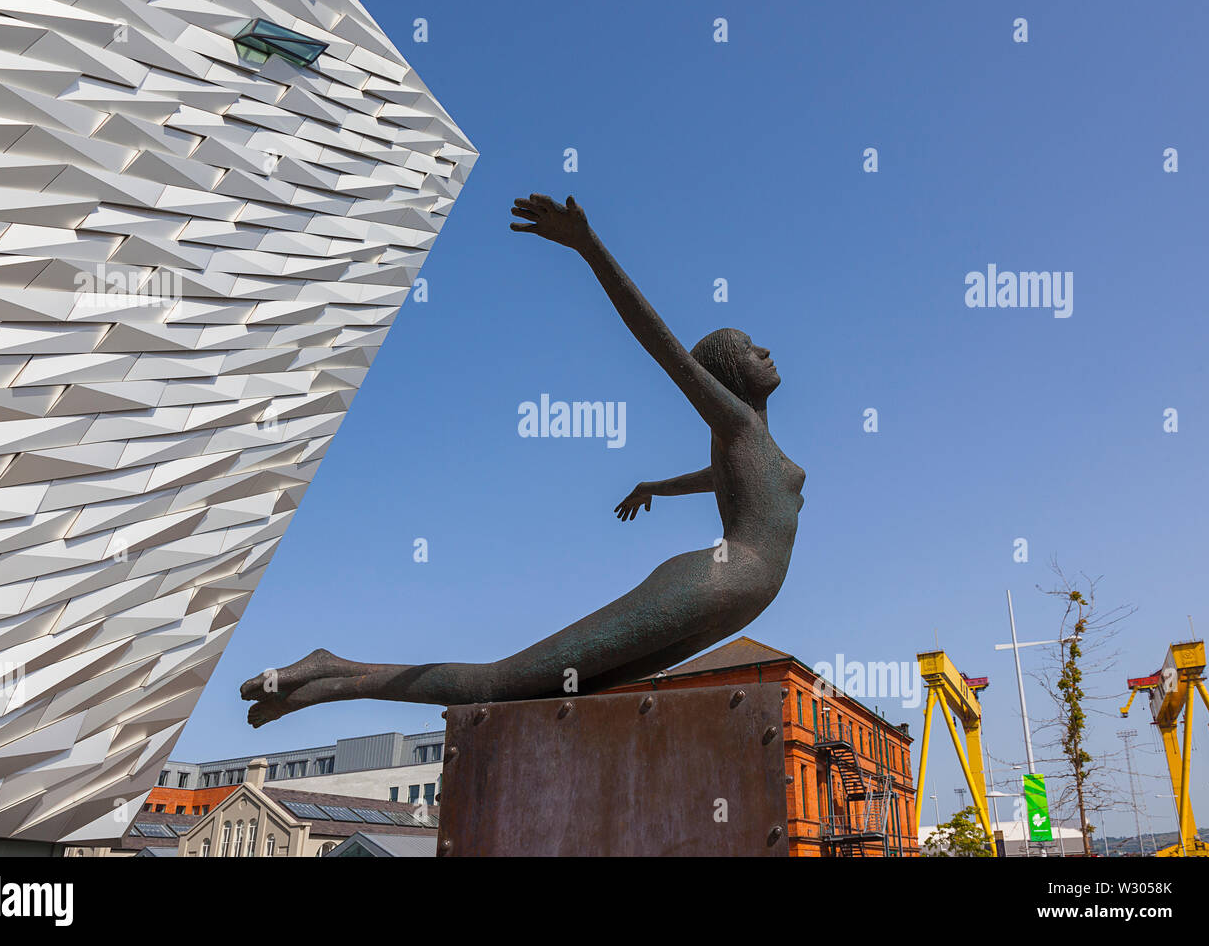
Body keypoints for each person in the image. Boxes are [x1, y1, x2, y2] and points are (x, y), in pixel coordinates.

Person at [241, 193, 804, 724]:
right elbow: (662, 346)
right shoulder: (736, 424)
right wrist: (591, 248)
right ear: (728, 376)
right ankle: (334, 673)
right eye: (753, 350)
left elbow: (724, 481)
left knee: (553, 691)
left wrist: (655, 486)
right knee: (504, 682)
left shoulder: (746, 441)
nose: (768, 352)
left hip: (737, 600)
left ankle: (334, 675)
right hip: (718, 583)